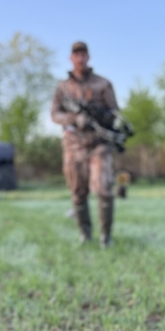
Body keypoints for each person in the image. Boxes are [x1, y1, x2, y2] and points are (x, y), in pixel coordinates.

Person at [51, 41, 120, 247]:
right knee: (77, 190)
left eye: (83, 54)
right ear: (71, 58)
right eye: (76, 55)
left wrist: (101, 119)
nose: (80, 58)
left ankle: (105, 237)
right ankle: (85, 235)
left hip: (100, 143)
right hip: (73, 145)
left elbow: (115, 113)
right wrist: (73, 119)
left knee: (104, 188)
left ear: (88, 57)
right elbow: (54, 114)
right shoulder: (62, 87)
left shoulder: (103, 84)